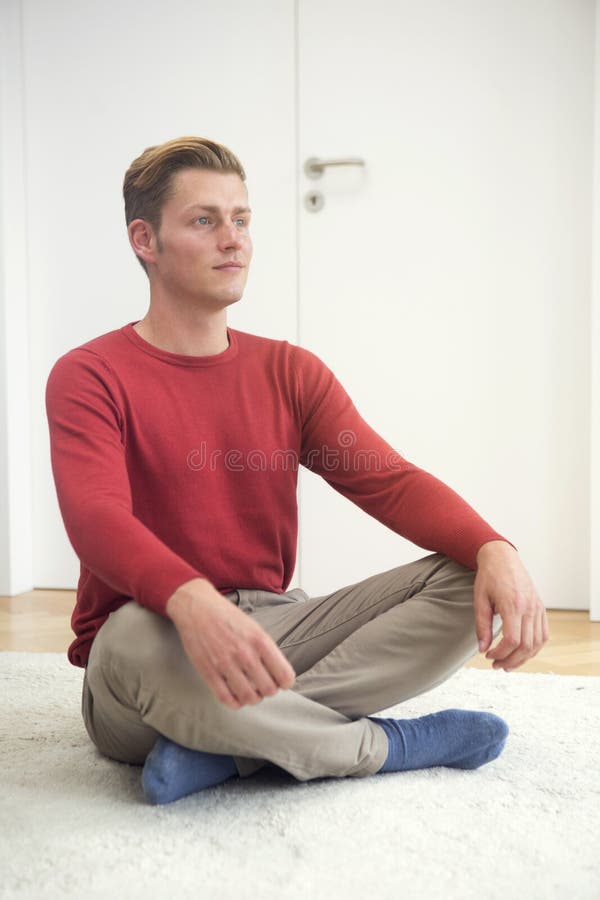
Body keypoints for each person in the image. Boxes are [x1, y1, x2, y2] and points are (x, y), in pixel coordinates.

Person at [45, 136, 549, 805]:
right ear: (146, 239)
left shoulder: (288, 372)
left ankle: (232, 751)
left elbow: (388, 479)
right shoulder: (90, 375)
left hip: (273, 629)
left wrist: (496, 549)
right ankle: (385, 746)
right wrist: (188, 600)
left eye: (242, 219)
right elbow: (95, 518)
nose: (234, 239)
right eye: (205, 221)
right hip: (145, 647)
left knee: (465, 580)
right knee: (135, 635)